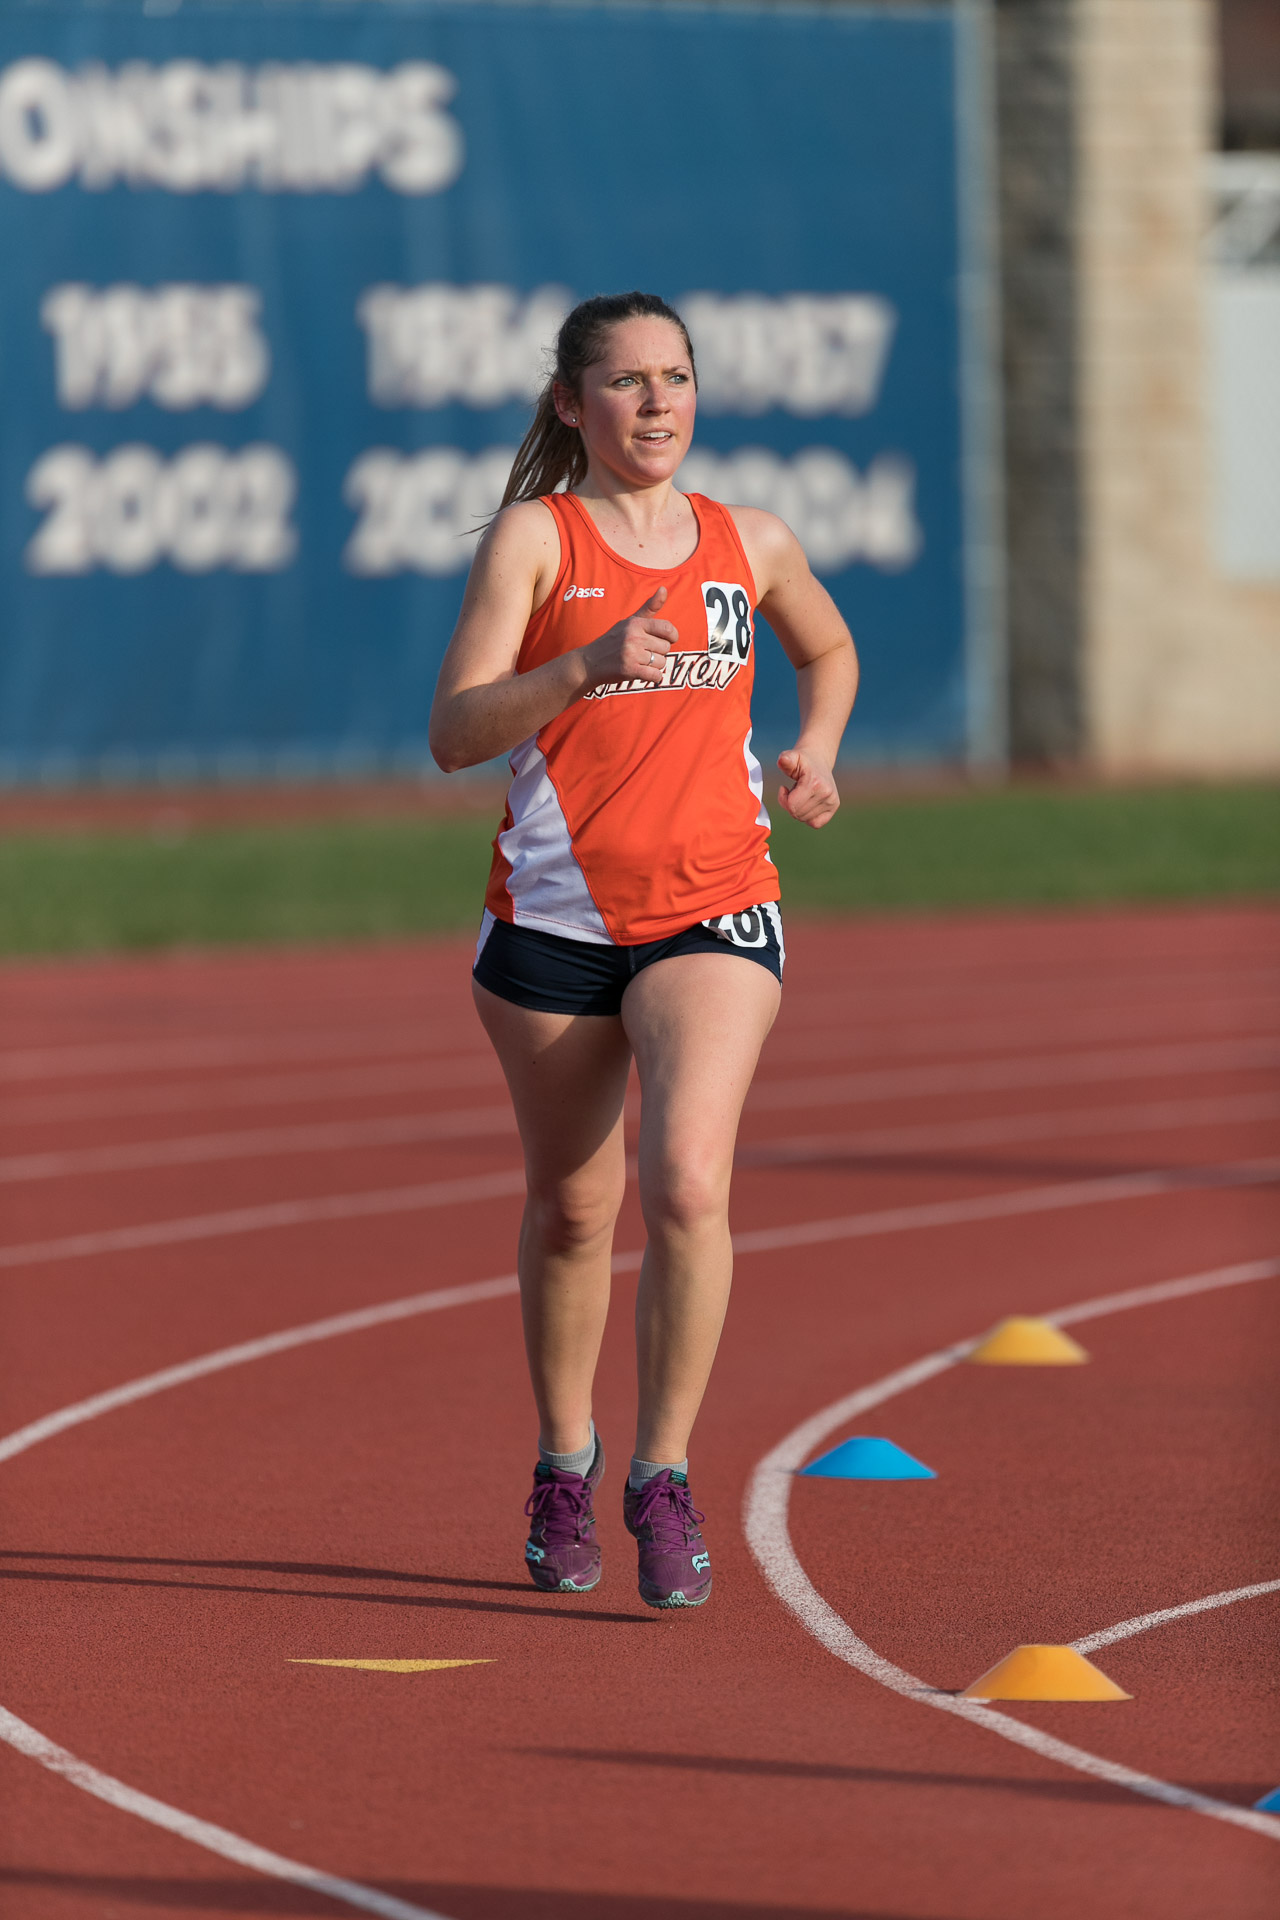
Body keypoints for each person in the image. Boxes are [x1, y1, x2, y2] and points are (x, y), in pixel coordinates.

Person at [429, 290, 857, 1610]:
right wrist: (585, 667)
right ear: (573, 403)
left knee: (684, 1181)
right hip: (553, 920)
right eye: (626, 381)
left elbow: (828, 645)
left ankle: (662, 1476)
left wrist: (816, 748)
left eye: (676, 376)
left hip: (714, 906)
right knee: (574, 1208)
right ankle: (565, 1465)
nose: (658, 402)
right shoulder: (537, 540)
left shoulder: (750, 540)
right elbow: (453, 733)